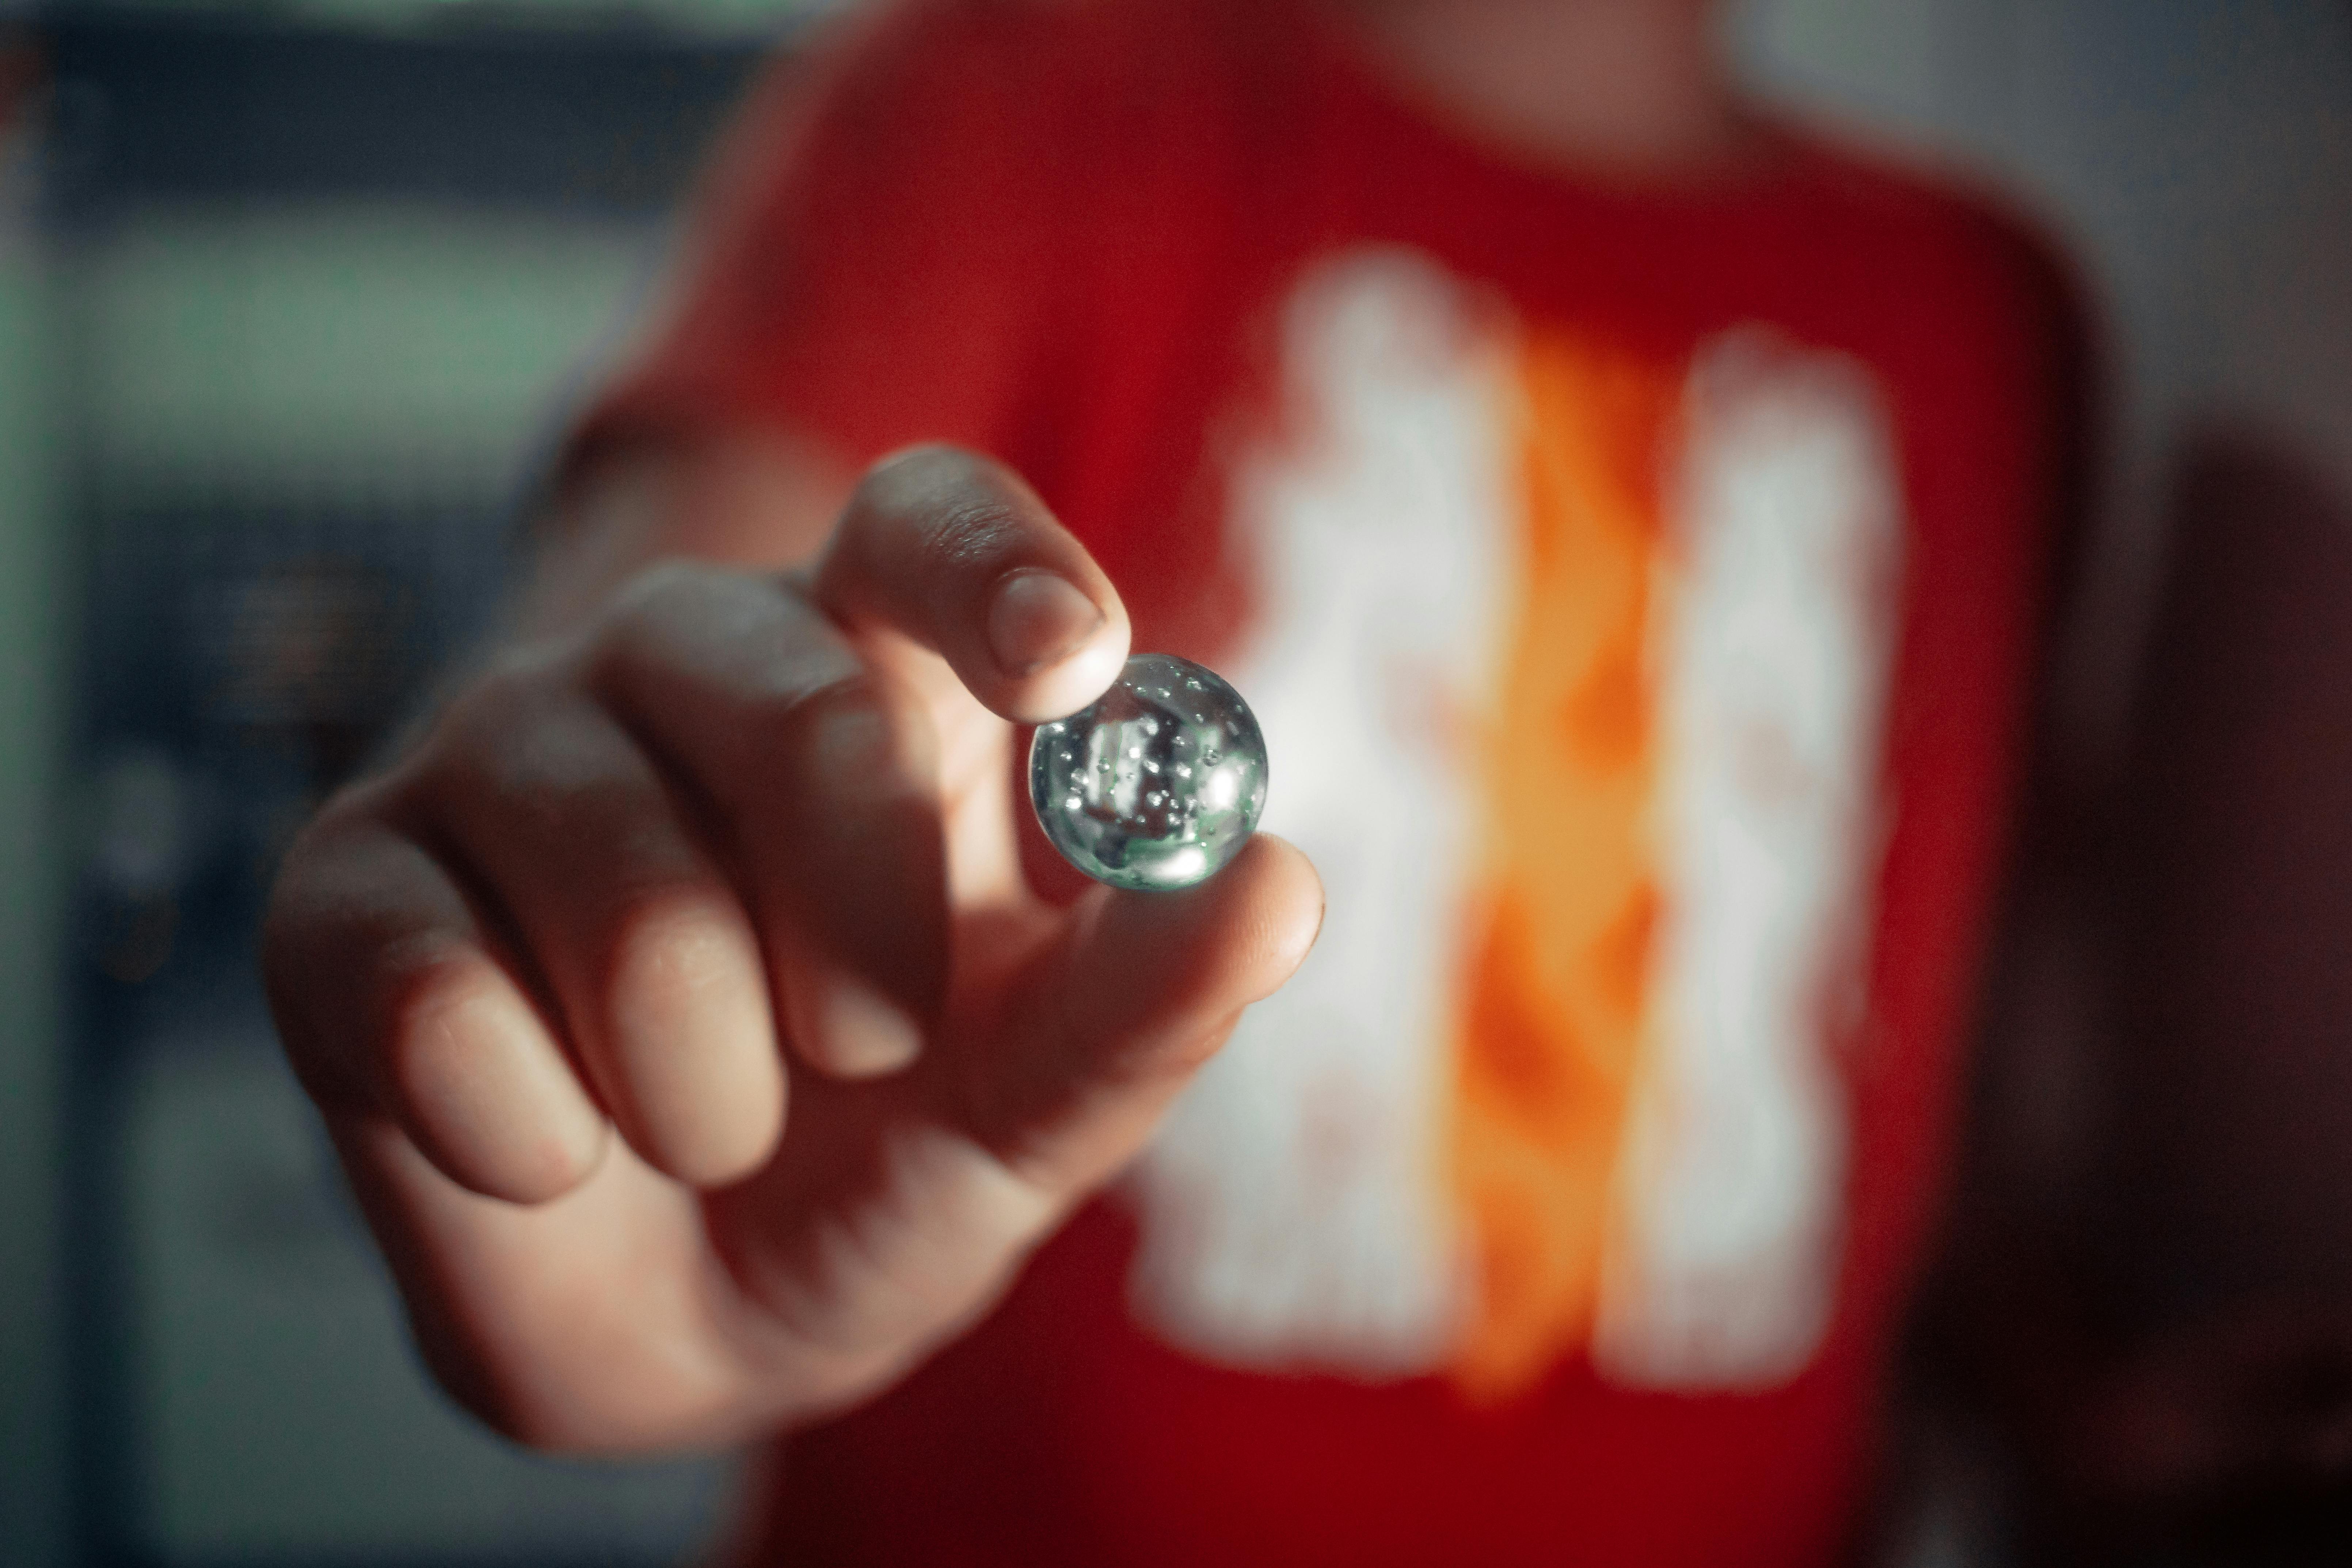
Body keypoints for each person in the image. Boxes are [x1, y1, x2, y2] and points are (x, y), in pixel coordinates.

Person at [260, 0, 2088, 1562]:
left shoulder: (1985, 310)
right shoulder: (1013, 103)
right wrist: (595, 940)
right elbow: (656, 691)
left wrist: (2073, 1396)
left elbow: (1919, 1101)